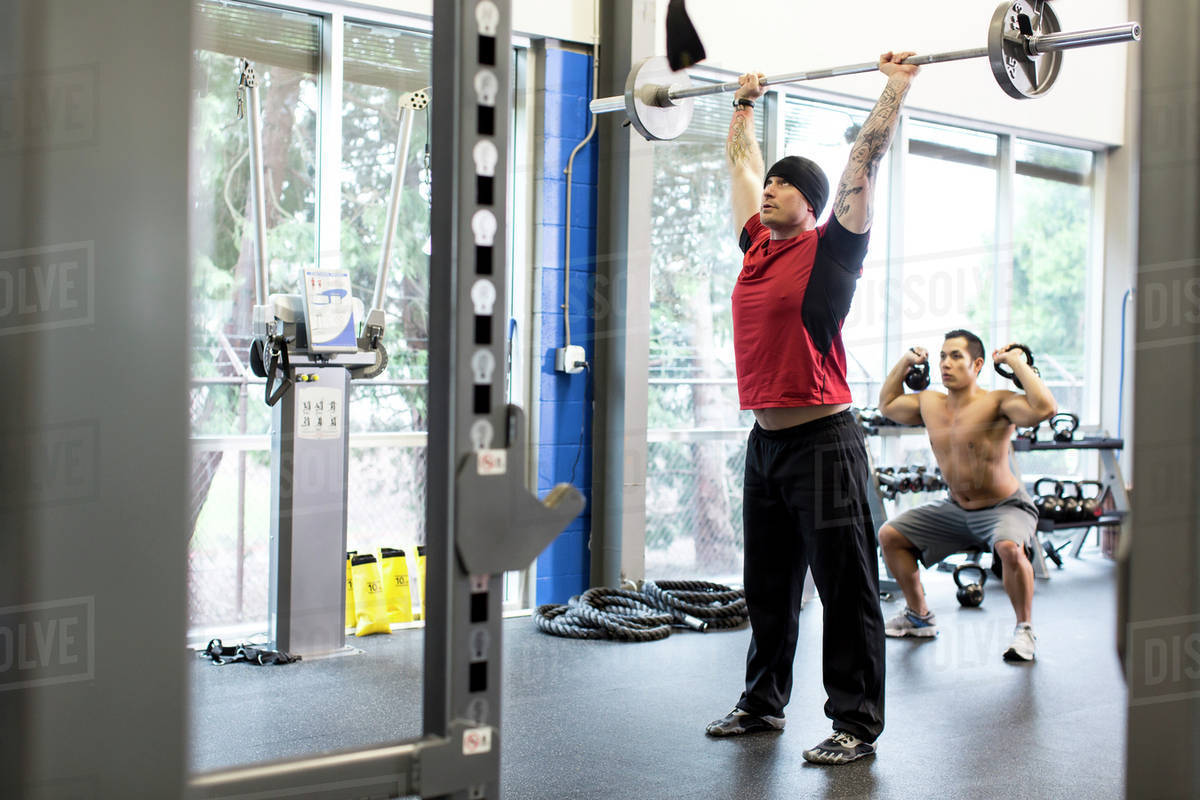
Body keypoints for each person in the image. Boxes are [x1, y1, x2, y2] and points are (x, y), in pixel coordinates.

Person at [704, 52, 919, 766]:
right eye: (769, 183)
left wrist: (893, 89)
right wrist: (741, 103)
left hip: (824, 441)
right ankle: (763, 705)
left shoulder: (833, 250)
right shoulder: (756, 247)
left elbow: (865, 160)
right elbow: (738, 163)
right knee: (767, 586)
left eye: (785, 185)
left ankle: (855, 724)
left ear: (814, 200)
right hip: (765, 444)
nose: (768, 190)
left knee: (845, 585)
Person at [875, 330, 1058, 662]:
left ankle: (1025, 629)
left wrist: (1015, 361)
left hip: (1006, 508)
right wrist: (905, 361)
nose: (946, 363)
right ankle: (919, 616)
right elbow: (887, 404)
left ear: (977, 364)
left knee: (1008, 548)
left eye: (956, 356)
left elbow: (1045, 408)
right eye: (943, 356)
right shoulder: (929, 403)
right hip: (955, 508)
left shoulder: (998, 401)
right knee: (890, 535)